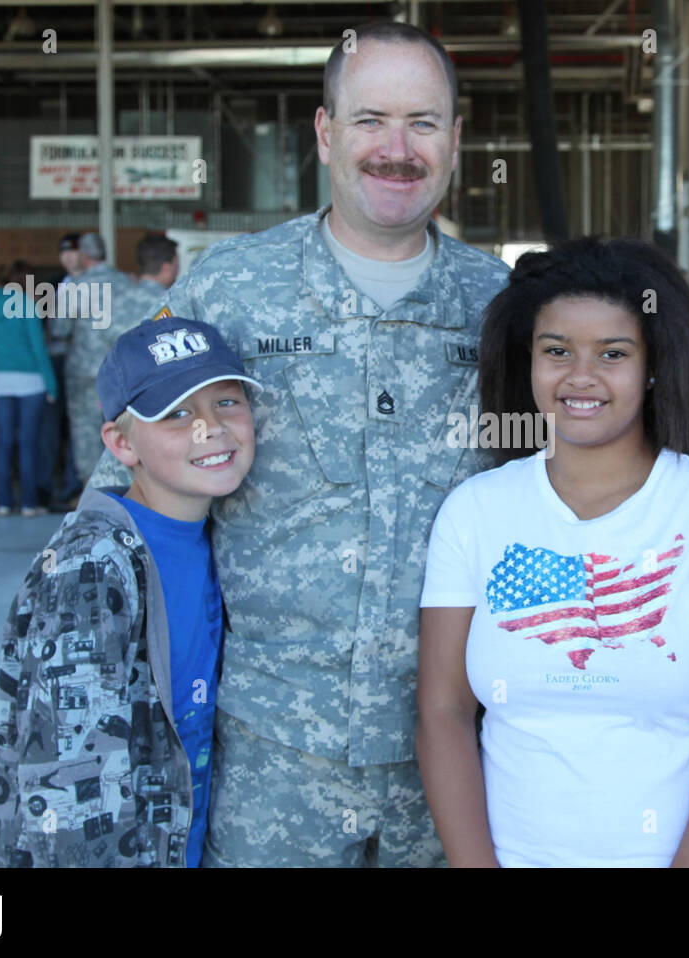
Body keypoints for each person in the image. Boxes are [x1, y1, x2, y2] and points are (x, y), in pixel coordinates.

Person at [86, 20, 511, 867]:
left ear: (457, 140)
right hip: (269, 762)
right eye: (370, 120)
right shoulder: (232, 287)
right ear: (325, 132)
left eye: (423, 123)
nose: (397, 149)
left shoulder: (500, 305)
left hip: (457, 761)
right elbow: (124, 495)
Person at [417, 237, 689, 867]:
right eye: (556, 351)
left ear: (651, 365)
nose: (580, 377)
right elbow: (443, 711)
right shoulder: (475, 512)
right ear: (527, 360)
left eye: (612, 354)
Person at [0, 317, 259, 867]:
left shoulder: (217, 536)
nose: (210, 429)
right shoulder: (92, 566)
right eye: (176, 414)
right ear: (122, 443)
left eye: (226, 402)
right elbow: (67, 788)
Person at [0, 265, 57, 516]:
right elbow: (39, 348)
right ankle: (28, 503)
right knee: (28, 443)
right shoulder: (26, 304)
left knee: (4, 442)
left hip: (0, 380)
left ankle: (3, 502)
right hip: (30, 381)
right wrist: (51, 385)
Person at [64, 233, 136, 484]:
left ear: (83, 256)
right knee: (124, 430)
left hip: (84, 373)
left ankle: (91, 491)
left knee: (85, 435)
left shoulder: (75, 287)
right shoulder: (127, 283)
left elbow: (59, 330)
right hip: (121, 373)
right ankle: (122, 489)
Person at [39, 234, 85, 507]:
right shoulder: (54, 285)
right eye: (64, 253)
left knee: (80, 431)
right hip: (57, 364)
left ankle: (74, 487)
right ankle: (49, 487)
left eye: (74, 252)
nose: (69, 258)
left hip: (85, 367)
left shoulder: (96, 286)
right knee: (52, 428)